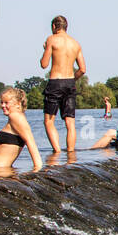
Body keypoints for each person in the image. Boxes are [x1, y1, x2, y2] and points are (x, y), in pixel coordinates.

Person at [40, 14, 86, 153]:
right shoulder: (75, 43)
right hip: (70, 82)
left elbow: (44, 64)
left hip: (55, 82)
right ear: (66, 27)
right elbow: (83, 69)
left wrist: (45, 49)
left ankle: (57, 152)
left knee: (49, 120)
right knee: (70, 122)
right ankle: (71, 153)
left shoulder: (52, 40)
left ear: (54, 27)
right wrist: (72, 79)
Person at [0, 87, 44, 171]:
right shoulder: (17, 116)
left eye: (6, 103)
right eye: (2, 102)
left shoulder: (15, 116)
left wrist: (37, 168)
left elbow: (30, 141)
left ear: (18, 104)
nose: (3, 105)